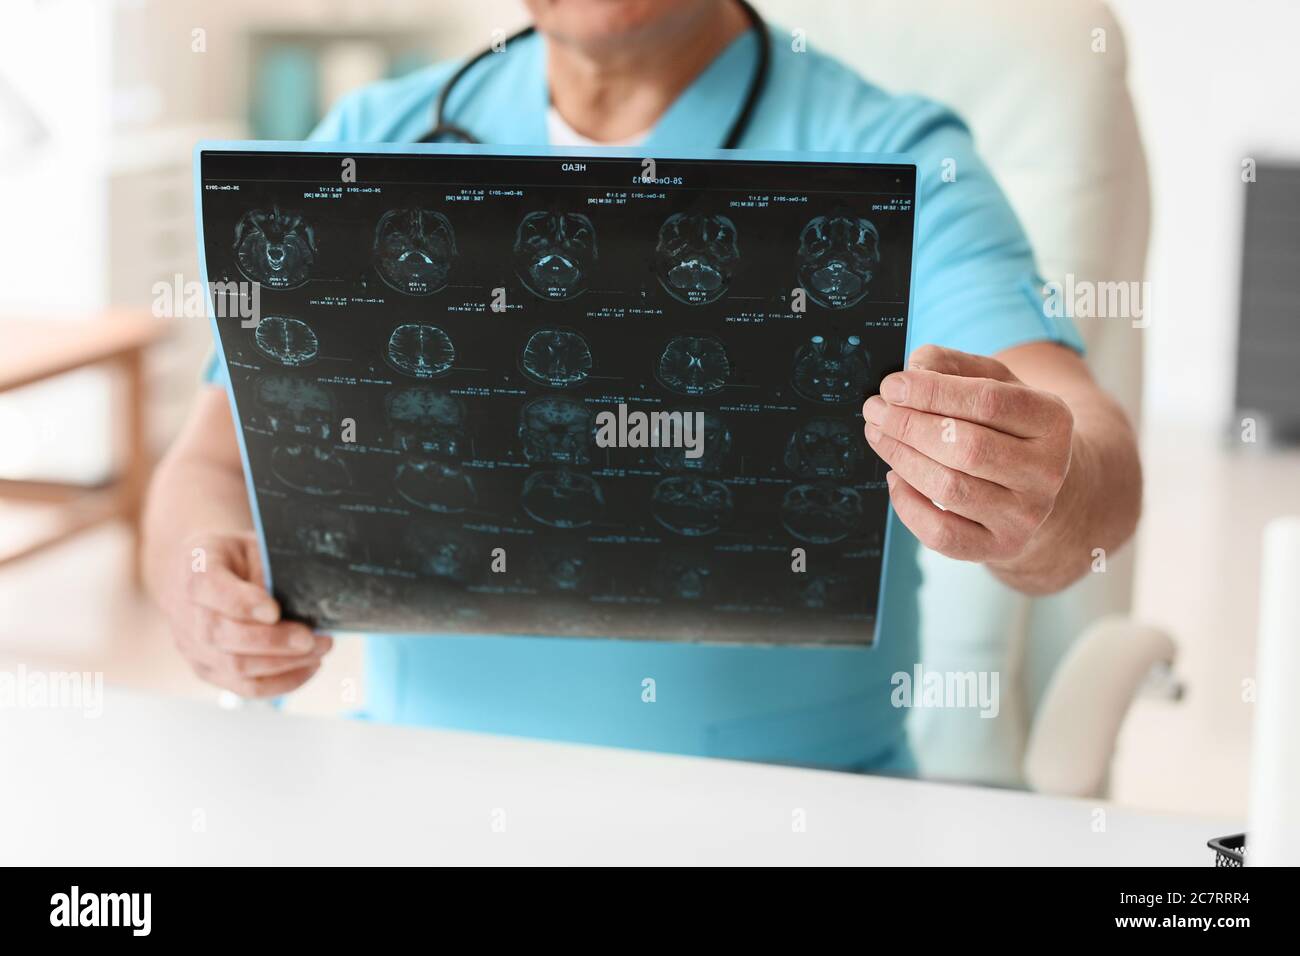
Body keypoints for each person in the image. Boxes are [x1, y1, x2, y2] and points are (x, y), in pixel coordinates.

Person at [143, 0, 1140, 773]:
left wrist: (1042, 494)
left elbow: (1088, 449)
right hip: (426, 788)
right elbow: (206, 466)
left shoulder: (902, 156)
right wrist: (203, 580)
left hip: (800, 812)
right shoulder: (368, 144)